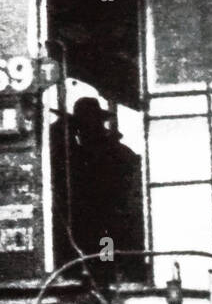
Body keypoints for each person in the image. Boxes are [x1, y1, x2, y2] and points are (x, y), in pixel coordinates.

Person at [50, 97, 146, 283]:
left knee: (104, 257)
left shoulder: (100, 152)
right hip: (96, 222)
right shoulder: (84, 151)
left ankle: (105, 276)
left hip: (106, 221)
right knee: (100, 257)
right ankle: (103, 275)